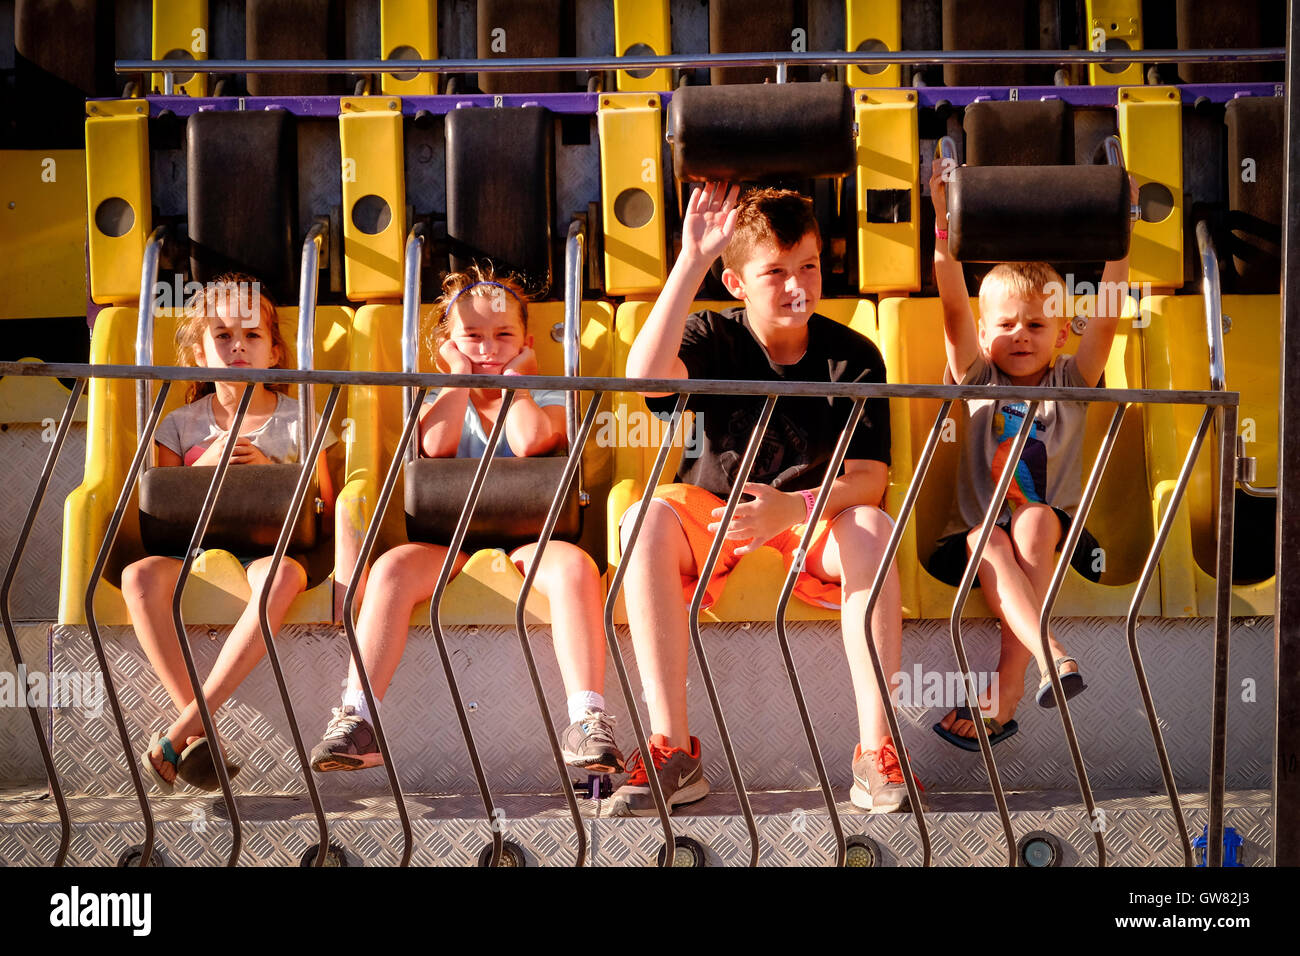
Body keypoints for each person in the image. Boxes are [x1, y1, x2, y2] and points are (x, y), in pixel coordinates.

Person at [611, 183, 918, 816]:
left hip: (810, 523)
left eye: (806, 266)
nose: (794, 284)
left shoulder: (854, 355)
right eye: (773, 271)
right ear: (736, 282)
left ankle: (875, 751)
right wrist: (690, 262)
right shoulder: (708, 334)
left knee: (872, 527)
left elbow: (868, 479)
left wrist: (794, 508)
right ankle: (673, 751)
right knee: (642, 519)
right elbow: (644, 379)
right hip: (716, 516)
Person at [309, 264, 625, 775]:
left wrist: (517, 384)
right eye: (471, 337)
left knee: (575, 570)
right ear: (447, 345)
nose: (488, 348)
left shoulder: (547, 397)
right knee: (391, 569)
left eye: (504, 336)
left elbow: (529, 444)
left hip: (532, 538)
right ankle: (358, 718)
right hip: (448, 542)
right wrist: (453, 379)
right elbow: (435, 447)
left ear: (526, 343)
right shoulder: (439, 399)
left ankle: (587, 718)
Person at [926, 160, 1137, 750]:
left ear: (1062, 332)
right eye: (1007, 323)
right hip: (971, 540)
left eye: (1037, 324)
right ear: (987, 330)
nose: (1021, 334)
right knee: (986, 538)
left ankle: (1011, 681)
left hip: (1050, 535)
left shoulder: (1073, 378)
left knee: (1037, 517)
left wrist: (1120, 229)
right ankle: (1048, 655)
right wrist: (943, 220)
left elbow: (1110, 313)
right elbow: (951, 308)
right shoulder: (976, 374)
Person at [124, 273, 337, 791]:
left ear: (275, 352)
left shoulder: (300, 419)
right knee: (139, 577)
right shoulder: (178, 424)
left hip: (271, 546)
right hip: (194, 547)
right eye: (222, 335)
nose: (238, 345)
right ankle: (196, 730)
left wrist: (268, 473)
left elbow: (327, 507)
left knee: (281, 577)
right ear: (198, 353)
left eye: (252, 335)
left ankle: (182, 731)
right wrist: (203, 468)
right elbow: (161, 508)